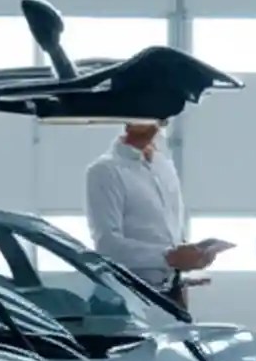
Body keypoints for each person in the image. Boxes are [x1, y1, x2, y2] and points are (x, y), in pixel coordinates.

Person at [85, 121, 213, 309]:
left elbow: (171, 233)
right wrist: (169, 257)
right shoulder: (105, 170)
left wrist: (189, 259)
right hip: (126, 297)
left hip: (171, 293)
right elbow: (108, 246)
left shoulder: (164, 165)